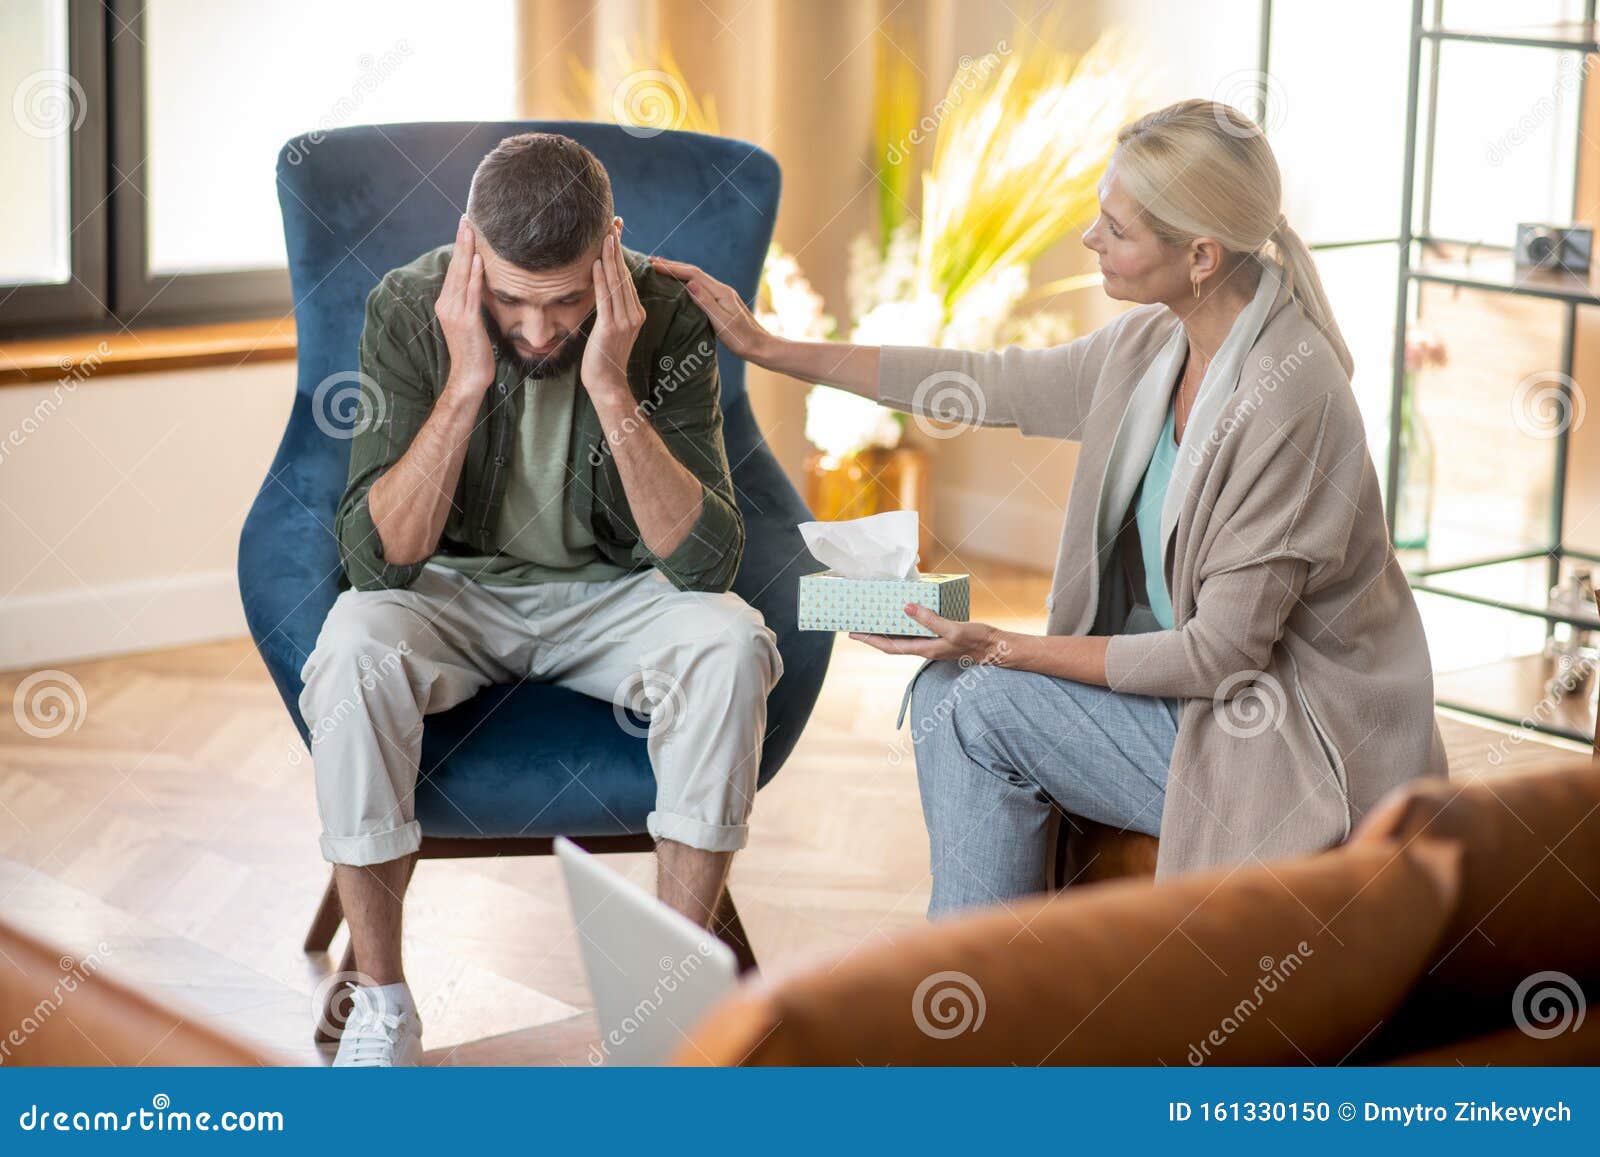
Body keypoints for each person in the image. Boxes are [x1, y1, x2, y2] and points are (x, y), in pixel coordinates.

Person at [652, 98, 1447, 918]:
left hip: (1289, 743)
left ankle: (976, 1007)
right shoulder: (1155, 346)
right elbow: (990, 382)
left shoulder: (1290, 398)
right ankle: (988, 991)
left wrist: (1003, 645)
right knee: (949, 692)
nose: (1090, 239)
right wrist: (770, 348)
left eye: (1117, 228)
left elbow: (1219, 657)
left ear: (1201, 255)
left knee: (974, 700)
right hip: (1204, 702)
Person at [298, 132, 782, 1065]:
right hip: (451, 594)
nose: (536, 328)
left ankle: (670, 1009)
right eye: (512, 298)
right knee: (356, 643)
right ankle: (385, 1004)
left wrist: (610, 384)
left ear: (611, 250)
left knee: (729, 642)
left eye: (565, 301)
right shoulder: (408, 303)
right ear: (471, 245)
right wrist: (465, 379)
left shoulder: (667, 314)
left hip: (616, 598)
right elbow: (380, 563)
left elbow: (703, 564)